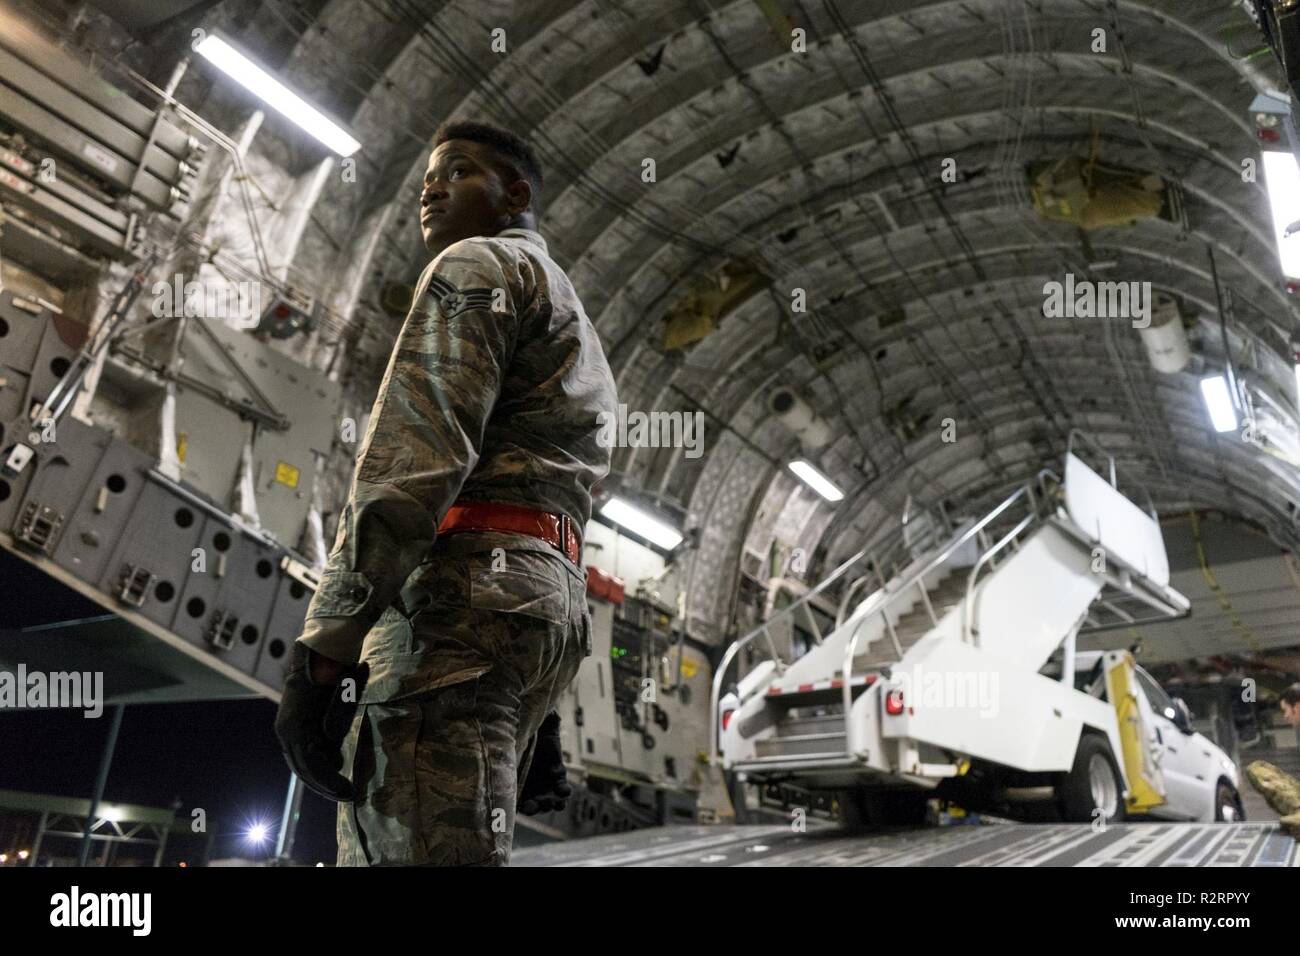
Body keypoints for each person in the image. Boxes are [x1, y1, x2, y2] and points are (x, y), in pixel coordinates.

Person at [274, 120, 617, 865]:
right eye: (428, 175)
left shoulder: (478, 265)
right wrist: (541, 711)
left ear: (514, 196)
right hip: (539, 611)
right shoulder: (576, 324)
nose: (431, 187)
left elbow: (418, 458)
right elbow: (551, 502)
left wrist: (325, 648)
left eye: (458, 172)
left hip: (453, 607)